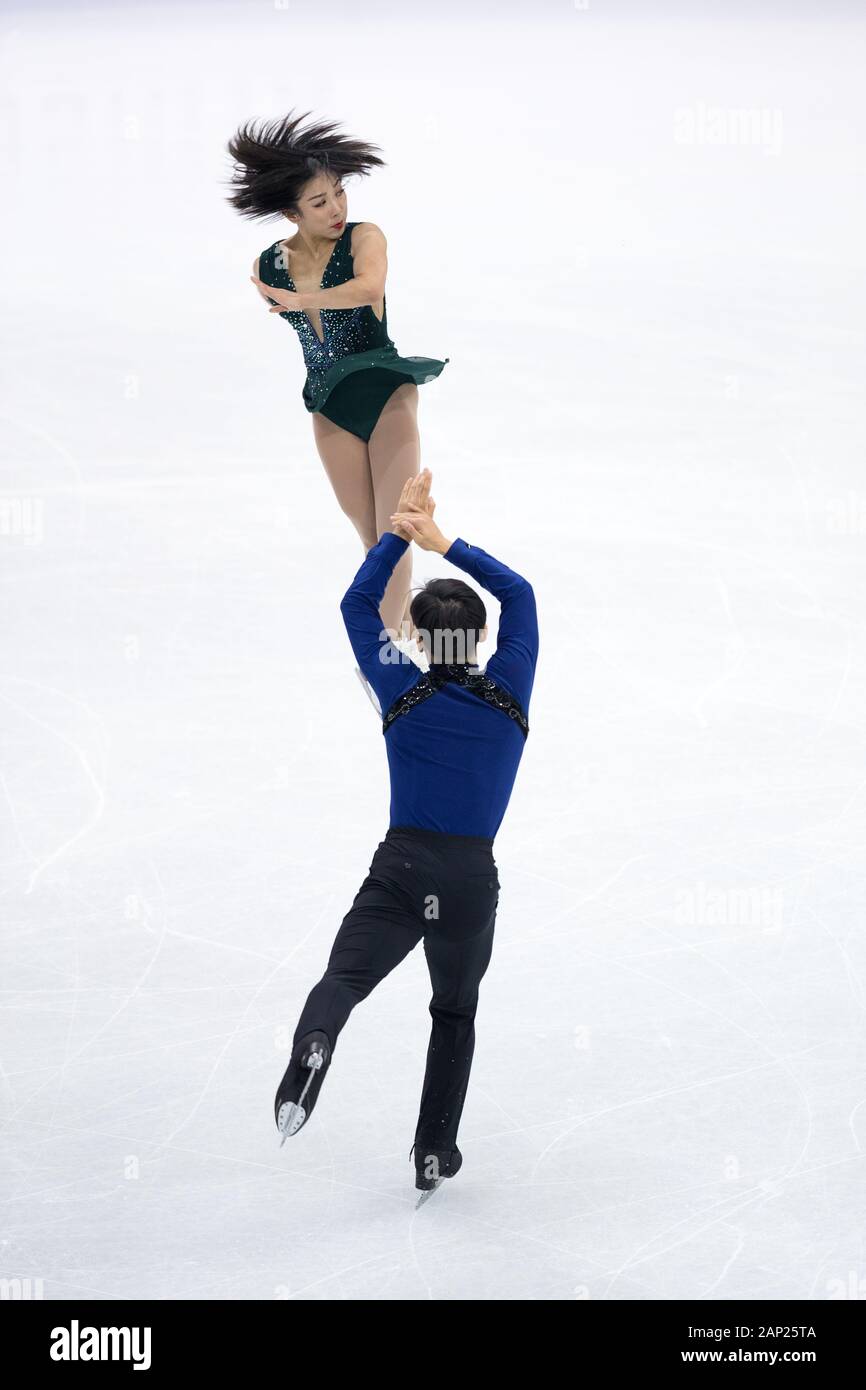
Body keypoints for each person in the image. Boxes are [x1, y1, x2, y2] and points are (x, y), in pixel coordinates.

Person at [273, 469, 539, 1195]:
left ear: (417, 636)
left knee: (343, 981)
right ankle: (433, 1152)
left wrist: (396, 533)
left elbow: (357, 604)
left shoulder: (401, 683)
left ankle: (315, 1045)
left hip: (402, 870)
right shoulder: (510, 686)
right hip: (469, 884)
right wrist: (441, 539)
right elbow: (521, 594)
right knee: (454, 1010)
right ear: (482, 635)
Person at [225, 109, 449, 640]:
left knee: (396, 532)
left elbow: (370, 288)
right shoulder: (268, 267)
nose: (336, 209)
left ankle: (387, 656)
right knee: (371, 537)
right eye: (319, 202)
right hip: (330, 404)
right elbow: (275, 297)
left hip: (385, 389)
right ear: (290, 213)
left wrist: (305, 298)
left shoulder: (364, 237)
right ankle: (414, 628)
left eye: (340, 194)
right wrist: (295, 295)